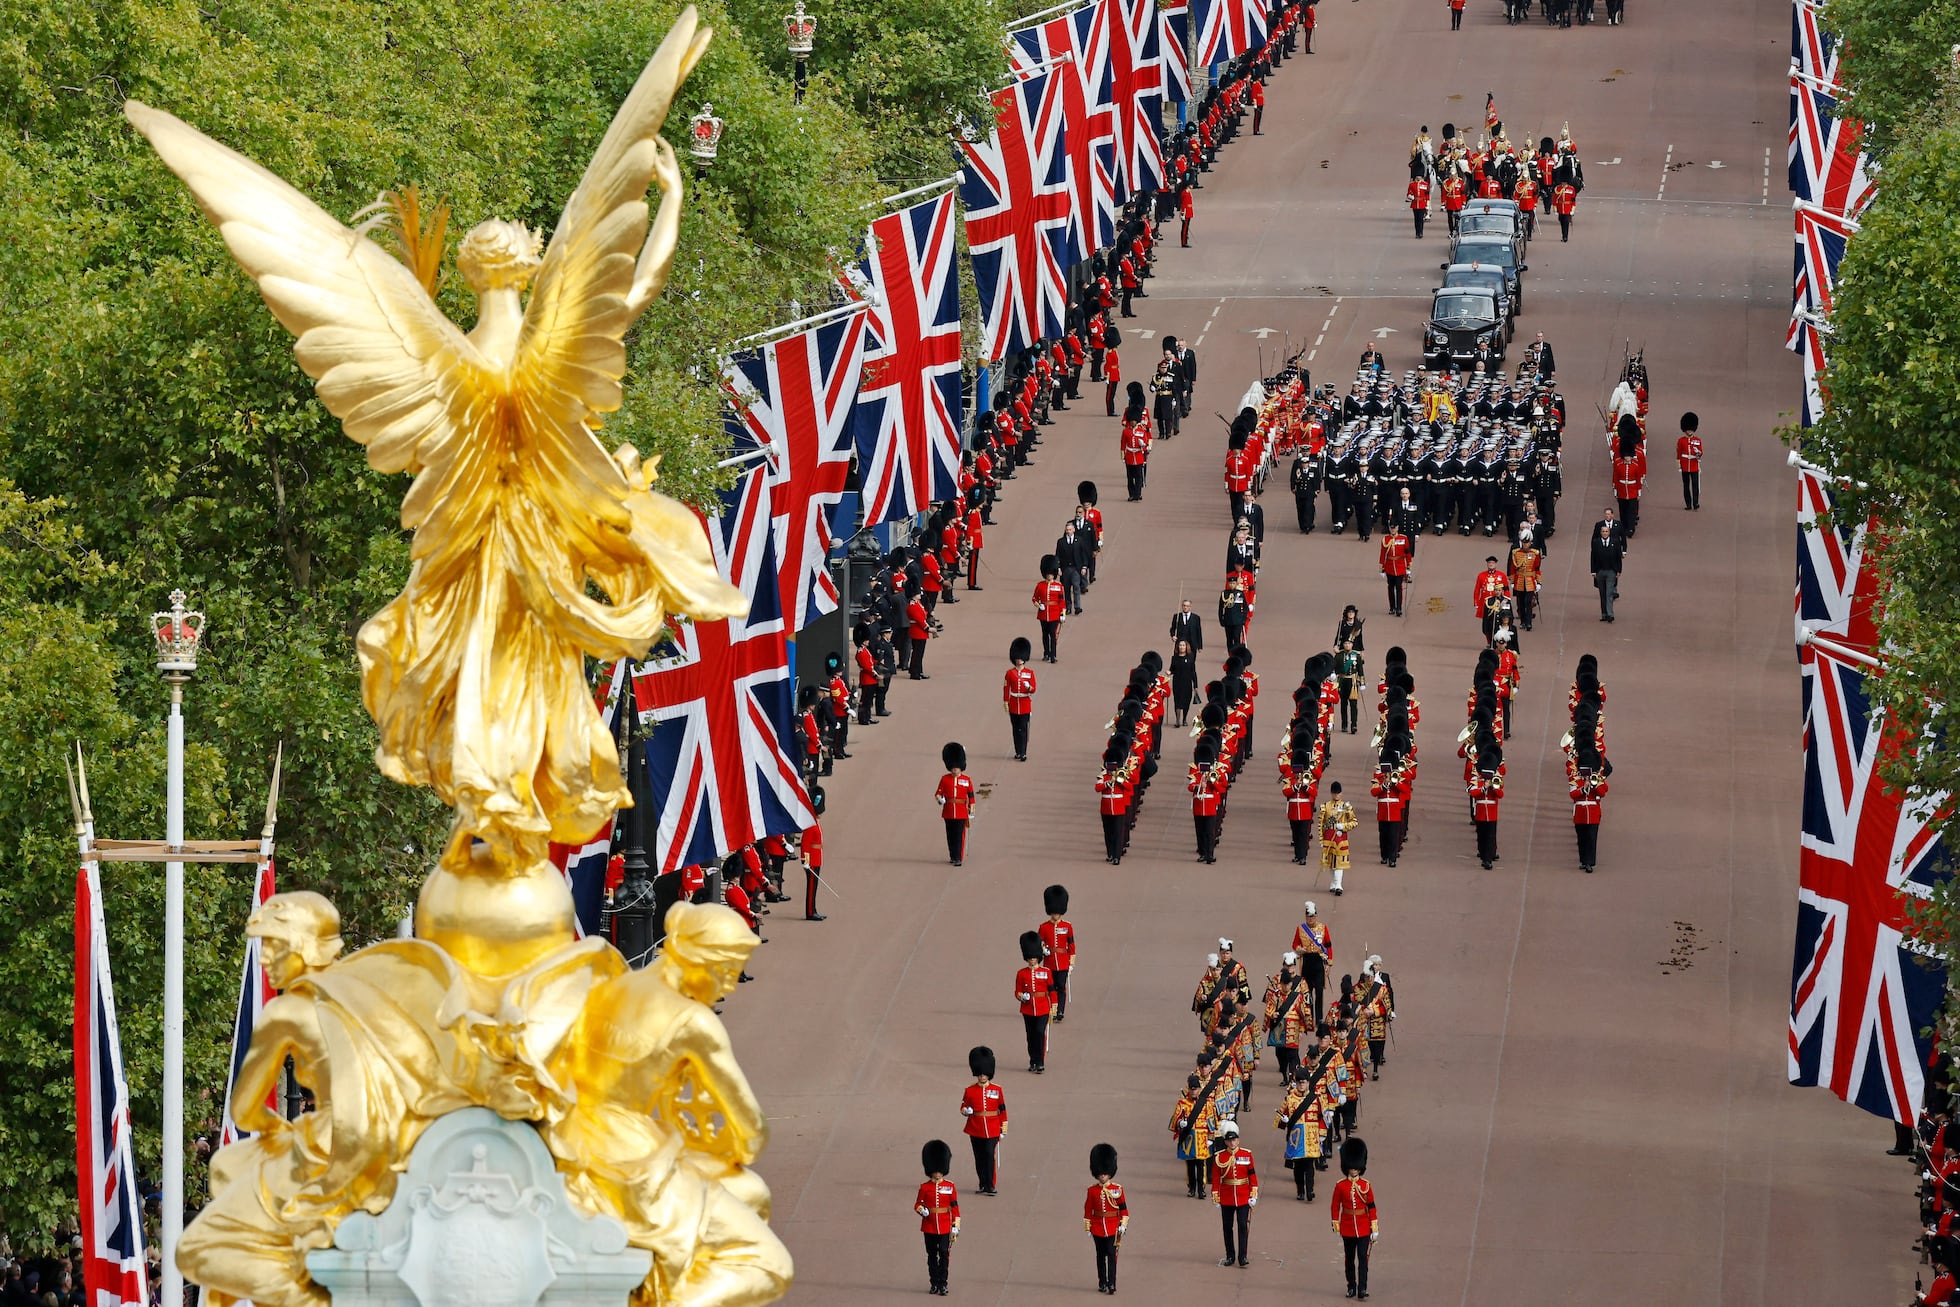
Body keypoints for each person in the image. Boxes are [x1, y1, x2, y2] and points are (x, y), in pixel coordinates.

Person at [1330, 1137, 1379, 1300]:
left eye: (1356, 1168)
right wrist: (1336, 1223)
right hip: (1347, 1227)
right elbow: (1335, 1206)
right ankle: (1351, 1286)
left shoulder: (1366, 1185)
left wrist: (1374, 1228)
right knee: (1349, 1259)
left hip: (1364, 1227)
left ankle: (1362, 1288)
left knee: (1363, 1260)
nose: (1353, 1170)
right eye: (1351, 1168)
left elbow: (1371, 1206)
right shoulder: (1340, 1185)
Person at [1078, 1144, 1129, 1296]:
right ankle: (1102, 1282)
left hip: (1113, 1227)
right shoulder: (1092, 1190)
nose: (1103, 1176)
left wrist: (1123, 1225)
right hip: (1097, 1228)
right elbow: (1088, 1210)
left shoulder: (1117, 1189)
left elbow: (1124, 1210)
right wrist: (1088, 1227)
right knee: (1100, 1256)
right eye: (1100, 1174)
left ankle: (1112, 1283)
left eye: (1105, 1174)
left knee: (1112, 1255)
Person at [1209, 1119, 1258, 1268]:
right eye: (1229, 1140)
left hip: (1243, 1196)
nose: (1232, 1143)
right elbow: (1216, 1179)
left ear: (1238, 1140)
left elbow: (1252, 1176)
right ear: (1225, 1141)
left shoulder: (1247, 1154)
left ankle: (1242, 1256)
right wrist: (1216, 1197)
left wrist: (1253, 1194)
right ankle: (1230, 1255)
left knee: (1243, 1226)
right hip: (1227, 1197)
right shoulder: (1219, 1157)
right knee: (1227, 1227)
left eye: (1234, 1140)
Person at [959, 1045, 1007, 1196]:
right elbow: (963, 1106)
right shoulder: (970, 1090)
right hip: (975, 1127)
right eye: (979, 1074)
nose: (982, 1077)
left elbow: (1002, 1110)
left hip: (993, 1128)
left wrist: (1003, 1129)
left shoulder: (997, 1090)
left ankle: (990, 1185)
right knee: (979, 1157)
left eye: (984, 1074)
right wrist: (966, 1111)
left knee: (988, 1154)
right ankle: (982, 1183)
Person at [915, 1139, 960, 1296]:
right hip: (929, 1226)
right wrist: (922, 1210)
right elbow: (917, 1204)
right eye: (935, 1170)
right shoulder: (924, 1187)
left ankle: (943, 1284)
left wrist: (955, 1226)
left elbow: (955, 1208)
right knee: (932, 1255)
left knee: (944, 1254)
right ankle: (934, 1283)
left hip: (945, 1226)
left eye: (939, 1170)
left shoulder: (950, 1186)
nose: (937, 1173)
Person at [1014, 930, 1055, 1073]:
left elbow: (1052, 990)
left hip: (1043, 1007)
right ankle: (1033, 1061)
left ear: (1038, 957)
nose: (1032, 960)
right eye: (1030, 958)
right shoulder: (1021, 973)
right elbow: (1017, 992)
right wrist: (1022, 997)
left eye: (1034, 957)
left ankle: (1040, 1062)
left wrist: (1053, 1006)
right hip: (1028, 1009)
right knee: (1030, 1037)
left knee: (1039, 1033)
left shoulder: (1046, 972)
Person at [1040, 884, 1078, 1020]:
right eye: (1054, 912)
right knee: (1051, 987)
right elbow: (1040, 943)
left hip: (1062, 962)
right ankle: (1053, 1009)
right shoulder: (1044, 927)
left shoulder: (1067, 926)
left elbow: (1071, 945)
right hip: (1050, 962)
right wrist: (1043, 950)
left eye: (1057, 912)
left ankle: (1060, 1011)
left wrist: (1071, 962)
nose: (1055, 914)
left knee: (1061, 986)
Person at [936, 743, 974, 865]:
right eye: (952, 768)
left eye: (956, 768)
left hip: (961, 812)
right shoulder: (945, 779)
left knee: (959, 836)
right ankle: (953, 855)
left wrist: (971, 812)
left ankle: (958, 858)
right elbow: (938, 793)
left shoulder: (967, 780)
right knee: (950, 836)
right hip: (948, 811)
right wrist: (940, 799)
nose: (954, 770)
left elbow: (971, 797)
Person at [1318, 782, 1358, 895]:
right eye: (1334, 793)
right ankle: (1333, 883)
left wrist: (1343, 826)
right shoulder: (1325, 806)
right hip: (1328, 836)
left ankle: (1338, 885)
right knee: (1330, 861)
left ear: (1341, 793)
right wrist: (1321, 839)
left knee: (1339, 861)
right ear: (1331, 793)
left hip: (1340, 838)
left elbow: (1354, 822)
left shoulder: (1346, 807)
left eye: (1338, 793)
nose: (1336, 795)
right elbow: (1321, 825)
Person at [1004, 636, 1037, 761]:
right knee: (1015, 730)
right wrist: (1006, 701)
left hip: (1025, 704)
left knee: (1023, 729)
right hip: (1013, 703)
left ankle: (1023, 752)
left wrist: (1029, 688)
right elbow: (1006, 688)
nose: (1019, 660)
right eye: (1017, 657)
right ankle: (1018, 751)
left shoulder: (1030, 673)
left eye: (1020, 657)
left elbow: (1033, 689)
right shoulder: (1009, 673)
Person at [1034, 556, 1067, 662]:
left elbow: (1062, 602)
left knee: (1053, 634)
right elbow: (1034, 598)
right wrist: (1039, 605)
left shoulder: (1059, 586)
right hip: (1043, 614)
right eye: (1048, 574)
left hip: (1054, 613)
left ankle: (1053, 655)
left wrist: (1063, 614)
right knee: (1045, 634)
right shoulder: (1040, 585)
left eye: (1051, 573)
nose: (1049, 575)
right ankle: (1046, 653)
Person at [1509, 529, 1543, 631]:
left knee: (1528, 602)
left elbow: (1537, 569)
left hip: (1530, 580)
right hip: (1519, 580)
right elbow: (1513, 568)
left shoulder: (1535, 553)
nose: (1525, 545)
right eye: (1524, 542)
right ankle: (1523, 621)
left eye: (1527, 542)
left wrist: (1539, 582)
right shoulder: (1516, 553)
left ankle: (1528, 623)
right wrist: (1512, 581)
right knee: (1521, 602)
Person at [1589, 521, 1623, 622]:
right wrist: (1593, 571)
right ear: (1601, 533)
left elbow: (1618, 557)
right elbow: (1593, 557)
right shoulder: (1596, 542)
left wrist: (1619, 570)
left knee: (1609, 593)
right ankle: (1604, 614)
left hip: (1611, 571)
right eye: (1603, 531)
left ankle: (1610, 614)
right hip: (1600, 571)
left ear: (1609, 532)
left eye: (1606, 531)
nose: (1604, 533)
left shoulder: (1615, 542)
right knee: (1602, 593)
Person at [1378, 527, 1412, 617]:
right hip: (1389, 567)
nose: (1393, 530)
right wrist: (1382, 567)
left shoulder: (1403, 538)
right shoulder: (1385, 539)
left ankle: (1399, 608)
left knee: (1399, 587)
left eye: (1394, 528)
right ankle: (1392, 607)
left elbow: (1407, 553)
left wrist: (1408, 566)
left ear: (1397, 528)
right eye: (1391, 528)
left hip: (1400, 566)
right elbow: (1383, 553)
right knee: (1391, 587)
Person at [1336, 641, 1365, 734]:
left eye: (1349, 644)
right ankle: (1344, 724)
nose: (1347, 645)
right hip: (1342, 681)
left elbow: (1360, 670)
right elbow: (1335, 667)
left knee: (1353, 705)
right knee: (1343, 704)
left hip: (1352, 683)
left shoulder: (1356, 656)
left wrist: (1362, 683)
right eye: (1345, 644)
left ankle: (1354, 725)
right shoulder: (1339, 655)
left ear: (1352, 645)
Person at [1170, 639, 1199, 727]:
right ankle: (1177, 720)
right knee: (1177, 701)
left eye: (1183, 645)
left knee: (1186, 701)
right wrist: (1169, 672)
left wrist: (1195, 685)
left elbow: (1193, 672)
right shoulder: (1174, 658)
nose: (1182, 647)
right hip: (1177, 682)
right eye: (1180, 645)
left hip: (1187, 683)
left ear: (1186, 647)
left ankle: (1184, 719)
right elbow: (1172, 669)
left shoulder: (1190, 658)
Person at [1676, 411, 1702, 509]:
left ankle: (1695, 503)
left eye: (1691, 429)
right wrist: (1679, 466)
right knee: (1686, 486)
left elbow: (1701, 453)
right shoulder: (1681, 441)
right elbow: (1678, 454)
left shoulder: (1697, 440)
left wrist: (1698, 453)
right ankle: (1688, 504)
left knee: (1695, 485)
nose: (1690, 431)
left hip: (1694, 465)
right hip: (1685, 465)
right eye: (1688, 429)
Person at [1406, 172, 1431, 238]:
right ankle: (1417, 233)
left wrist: (1427, 205)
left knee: (1420, 219)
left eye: (1420, 176)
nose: (1418, 177)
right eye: (1417, 176)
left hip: (1422, 203)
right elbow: (1408, 193)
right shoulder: (1412, 184)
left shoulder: (1425, 184)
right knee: (1416, 219)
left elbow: (1427, 195)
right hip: (1415, 203)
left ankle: (1420, 232)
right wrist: (1411, 197)